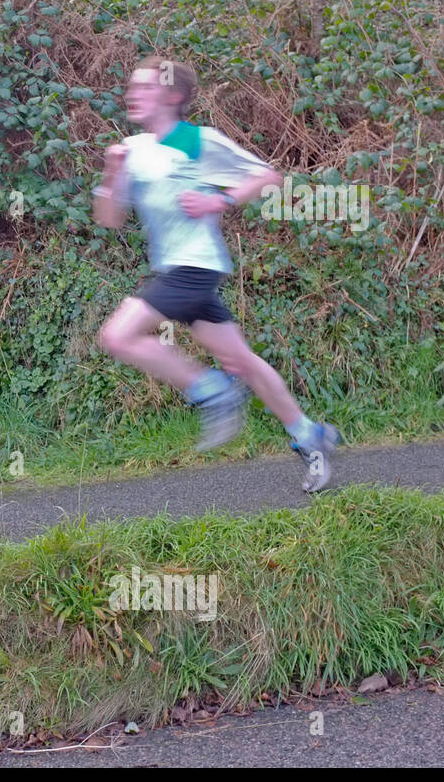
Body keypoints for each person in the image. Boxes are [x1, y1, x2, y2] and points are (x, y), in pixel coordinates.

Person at [91, 56, 342, 492]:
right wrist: (112, 173)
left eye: (145, 88)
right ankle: (310, 434)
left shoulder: (198, 141)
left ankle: (212, 390)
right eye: (131, 87)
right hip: (178, 269)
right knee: (241, 361)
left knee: (117, 336)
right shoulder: (132, 150)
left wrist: (219, 202)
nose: (133, 94)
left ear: (173, 96)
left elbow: (269, 177)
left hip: (196, 266)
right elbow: (109, 219)